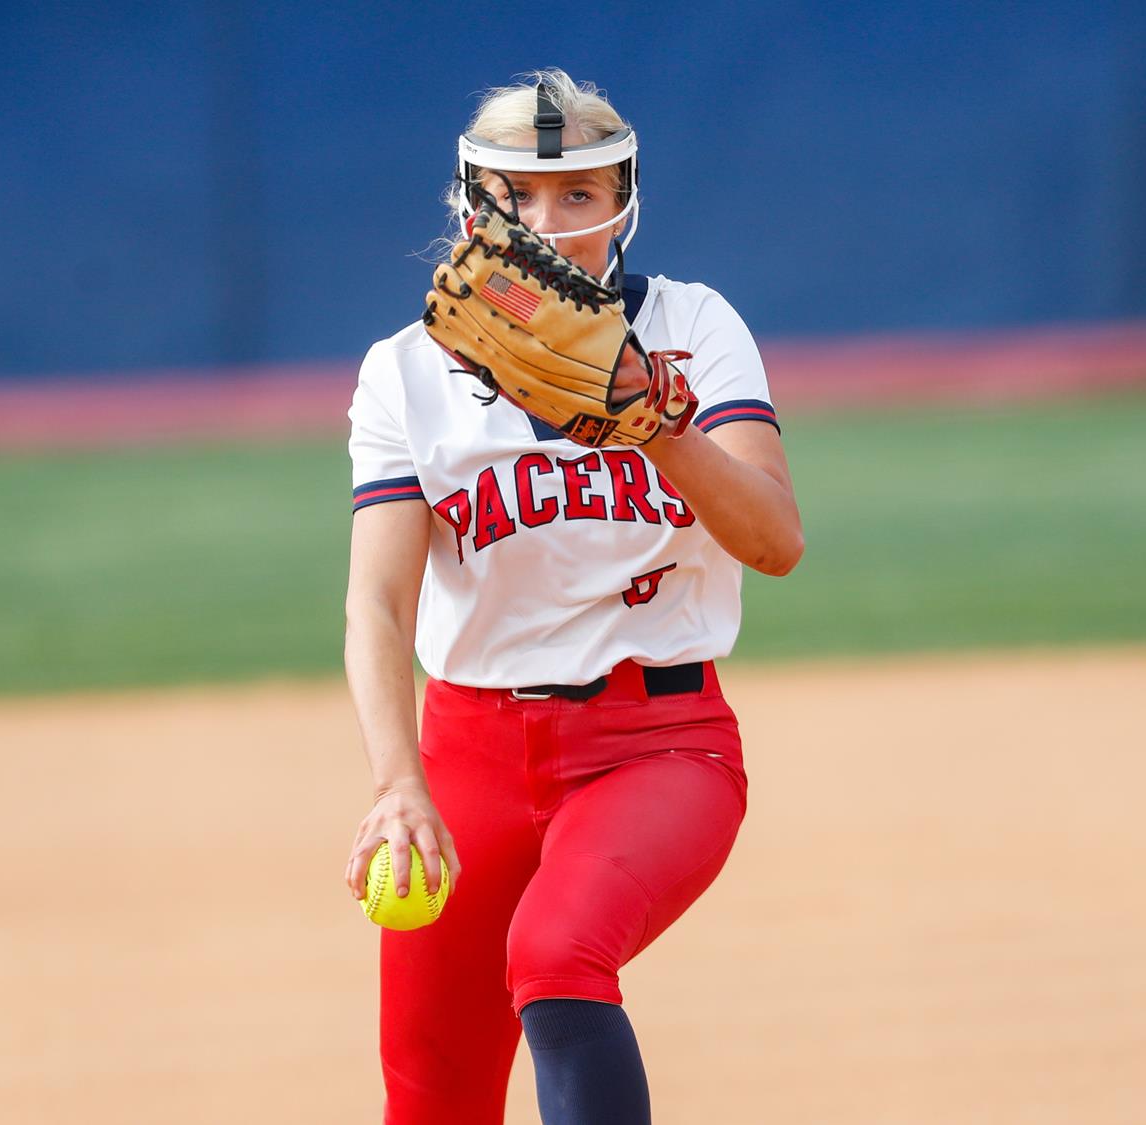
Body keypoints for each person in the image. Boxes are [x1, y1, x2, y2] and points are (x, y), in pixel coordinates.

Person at [341, 68, 803, 1125]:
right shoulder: (405, 373)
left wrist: (654, 420)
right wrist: (396, 782)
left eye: (576, 195)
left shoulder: (692, 328)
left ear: (621, 204)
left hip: (659, 740)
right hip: (469, 755)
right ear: (471, 203)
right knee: (431, 1093)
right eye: (515, 194)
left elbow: (773, 542)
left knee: (555, 957)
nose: (544, 220)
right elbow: (377, 602)